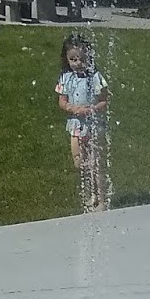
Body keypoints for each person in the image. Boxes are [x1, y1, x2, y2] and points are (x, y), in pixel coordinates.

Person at [55, 34, 110, 211]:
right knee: (79, 162)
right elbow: (62, 102)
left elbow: (104, 101)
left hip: (94, 125)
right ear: (67, 60)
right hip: (76, 126)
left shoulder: (94, 77)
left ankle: (101, 199)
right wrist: (73, 109)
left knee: (96, 163)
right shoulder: (66, 78)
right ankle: (90, 194)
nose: (77, 63)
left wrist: (90, 110)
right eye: (73, 59)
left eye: (81, 59)